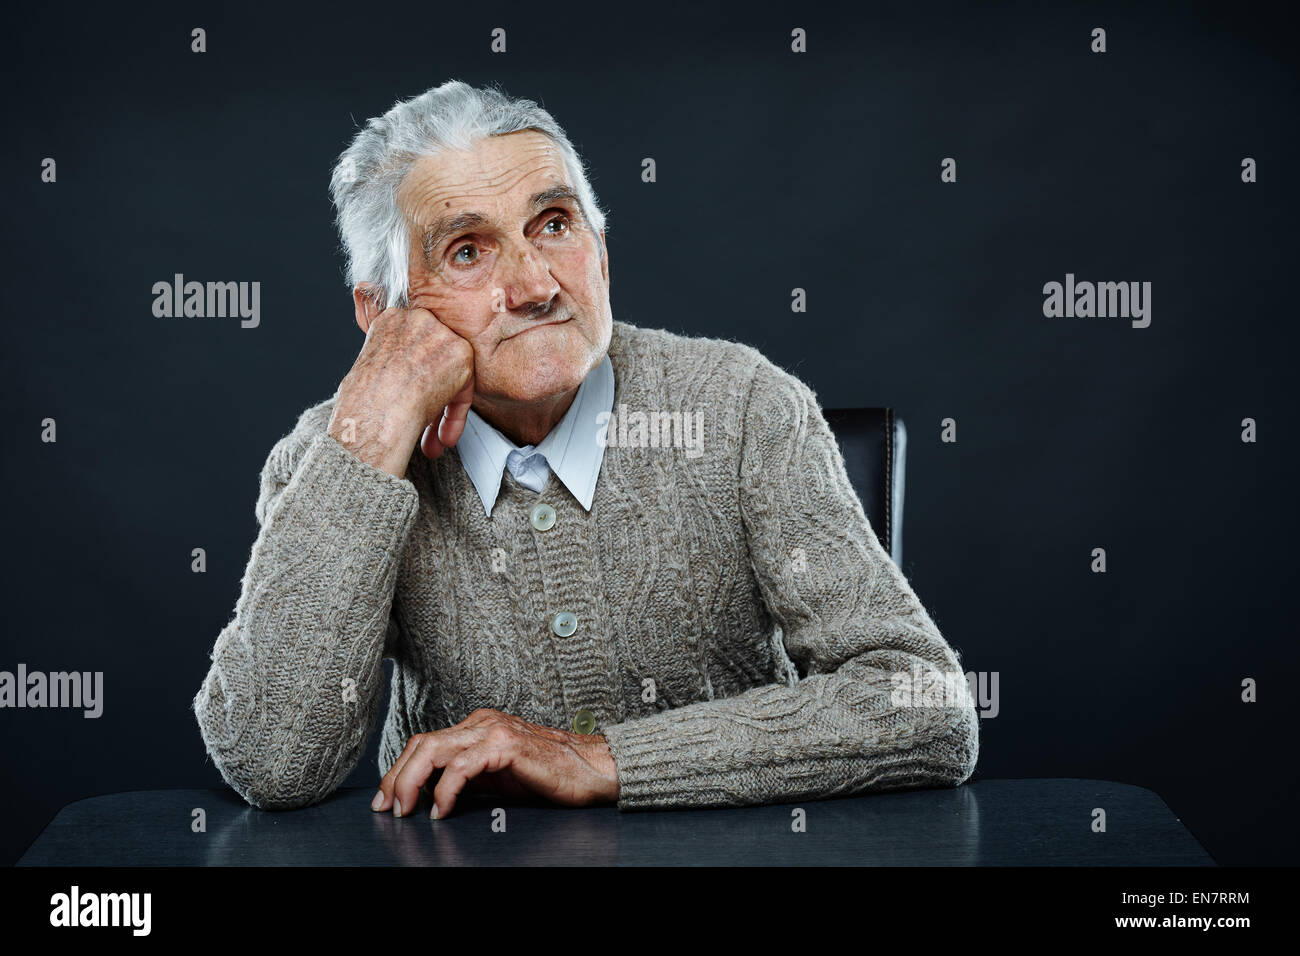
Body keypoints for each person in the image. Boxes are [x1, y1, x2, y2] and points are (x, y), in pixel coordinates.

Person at [193, 79, 979, 819]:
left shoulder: (743, 404)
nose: (536, 285)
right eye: (468, 250)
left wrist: (603, 761)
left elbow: (925, 701)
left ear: (600, 249)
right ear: (383, 314)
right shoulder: (331, 458)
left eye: (554, 225)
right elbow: (273, 763)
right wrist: (370, 431)